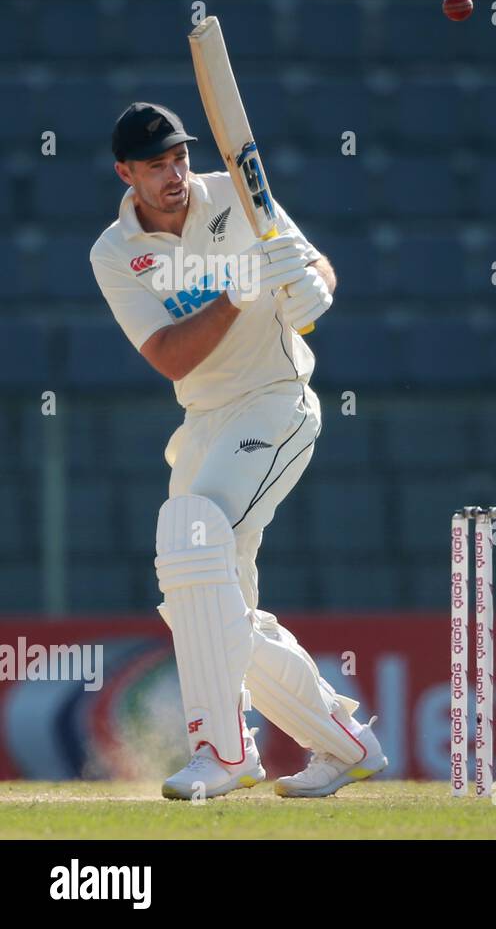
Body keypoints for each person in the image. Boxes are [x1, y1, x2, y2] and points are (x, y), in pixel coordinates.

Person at [89, 102, 387, 799]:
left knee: (191, 537)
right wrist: (234, 293)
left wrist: (313, 285)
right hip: (204, 420)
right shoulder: (114, 252)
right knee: (208, 604)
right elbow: (170, 356)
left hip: (276, 401)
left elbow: (313, 264)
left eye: (180, 158)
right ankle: (344, 743)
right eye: (157, 165)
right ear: (126, 173)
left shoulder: (235, 192)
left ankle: (222, 752)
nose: (175, 174)